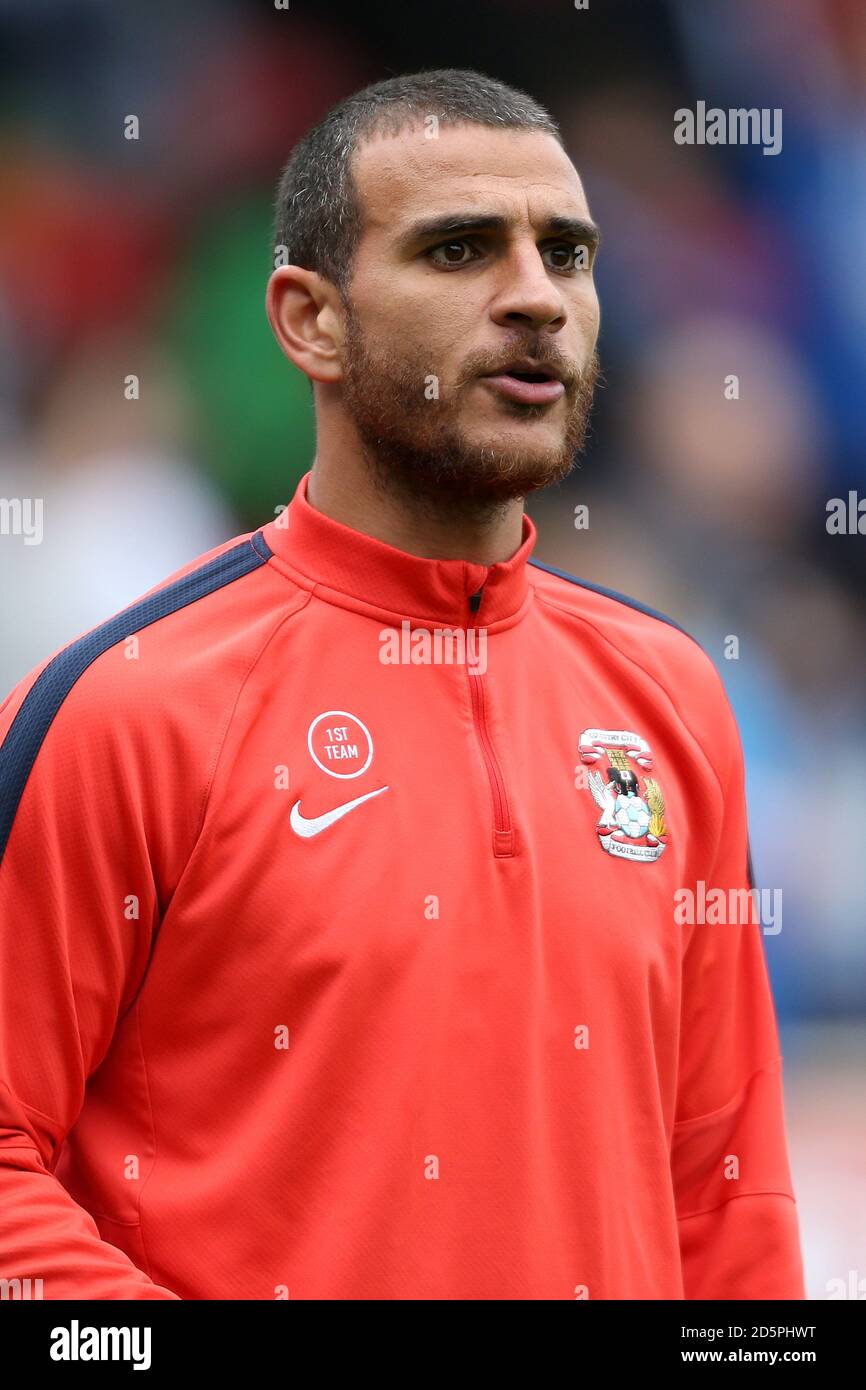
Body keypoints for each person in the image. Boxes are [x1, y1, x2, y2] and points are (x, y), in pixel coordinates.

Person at [0, 69, 805, 1300]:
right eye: (459, 249)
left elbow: (726, 1187)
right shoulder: (126, 706)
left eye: (568, 254)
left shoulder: (673, 698)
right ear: (309, 319)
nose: (536, 298)